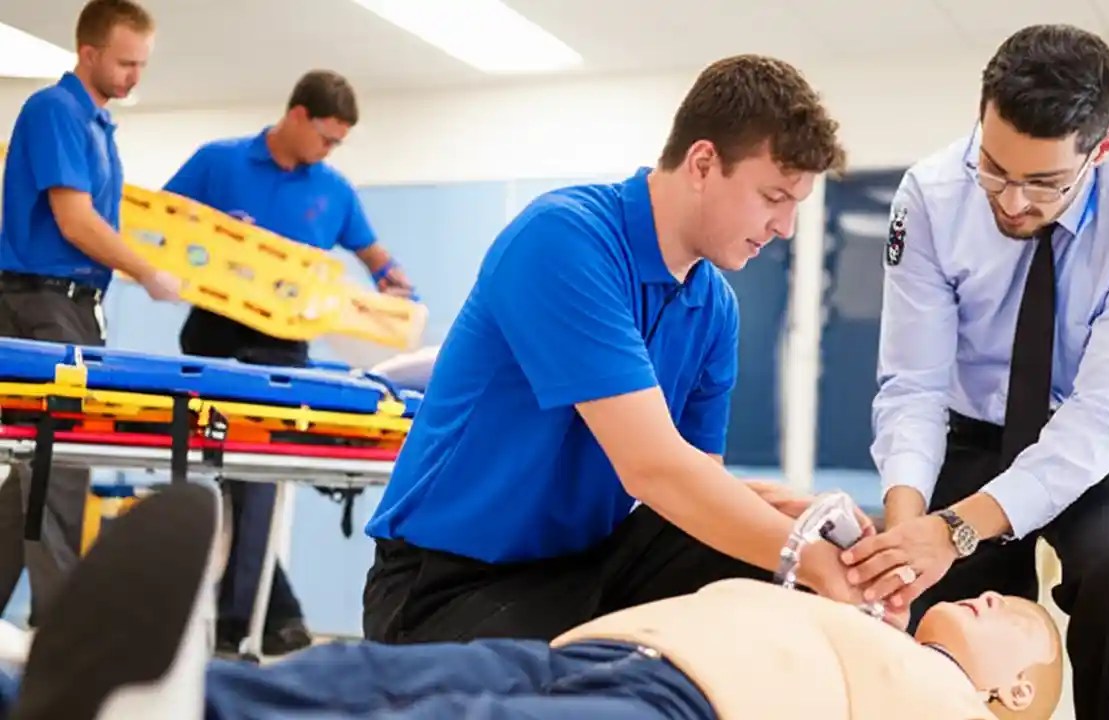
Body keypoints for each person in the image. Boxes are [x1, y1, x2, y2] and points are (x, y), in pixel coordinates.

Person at [361, 54, 855, 645]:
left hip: (582, 569)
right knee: (793, 560)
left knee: (773, 555)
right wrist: (807, 557)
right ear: (703, 163)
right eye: (774, 196)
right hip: (447, 586)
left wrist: (816, 524)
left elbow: (698, 487)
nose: (786, 227)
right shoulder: (563, 239)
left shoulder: (715, 308)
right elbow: (652, 469)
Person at [5, 482, 1064, 720]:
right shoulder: (875, 624)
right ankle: (129, 695)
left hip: (679, 711)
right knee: (368, 674)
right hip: (597, 650)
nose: (976, 603)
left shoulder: (954, 707)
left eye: (999, 617)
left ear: (1015, 691)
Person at [844, 24, 1109, 720]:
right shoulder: (929, 195)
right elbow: (913, 385)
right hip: (972, 431)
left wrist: (955, 530)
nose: (1011, 202)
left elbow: (1104, 414)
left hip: (1095, 439)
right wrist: (909, 536)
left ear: (1099, 151)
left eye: (1043, 183)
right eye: (995, 169)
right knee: (933, 612)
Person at [159, 69, 415, 656]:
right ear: (297, 116)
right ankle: (264, 617)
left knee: (259, 489)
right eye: (326, 137)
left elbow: (376, 258)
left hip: (284, 350)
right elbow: (159, 225)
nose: (330, 151)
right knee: (219, 488)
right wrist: (216, 241)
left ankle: (244, 624)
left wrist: (392, 284)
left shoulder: (334, 189)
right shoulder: (216, 163)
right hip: (214, 339)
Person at [0, 0, 181, 626]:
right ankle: (64, 634)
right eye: (127, 62)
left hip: (75, 306)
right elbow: (75, 222)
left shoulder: (100, 126)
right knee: (59, 465)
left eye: (143, 64)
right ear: (89, 53)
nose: (136, 76)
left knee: (32, 475)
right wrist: (147, 271)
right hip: (40, 302)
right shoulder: (56, 110)